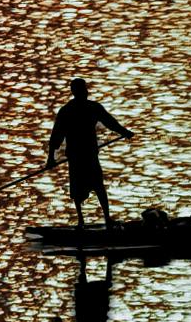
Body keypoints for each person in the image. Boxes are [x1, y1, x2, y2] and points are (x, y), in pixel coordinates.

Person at [46, 76, 134, 232]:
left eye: (85, 89)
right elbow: (56, 135)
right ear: (75, 92)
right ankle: (81, 221)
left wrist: (124, 132)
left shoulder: (93, 108)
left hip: (90, 155)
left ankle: (107, 218)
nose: (85, 92)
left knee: (98, 185)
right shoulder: (67, 111)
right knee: (78, 189)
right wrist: (50, 159)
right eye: (82, 90)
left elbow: (110, 122)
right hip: (76, 156)